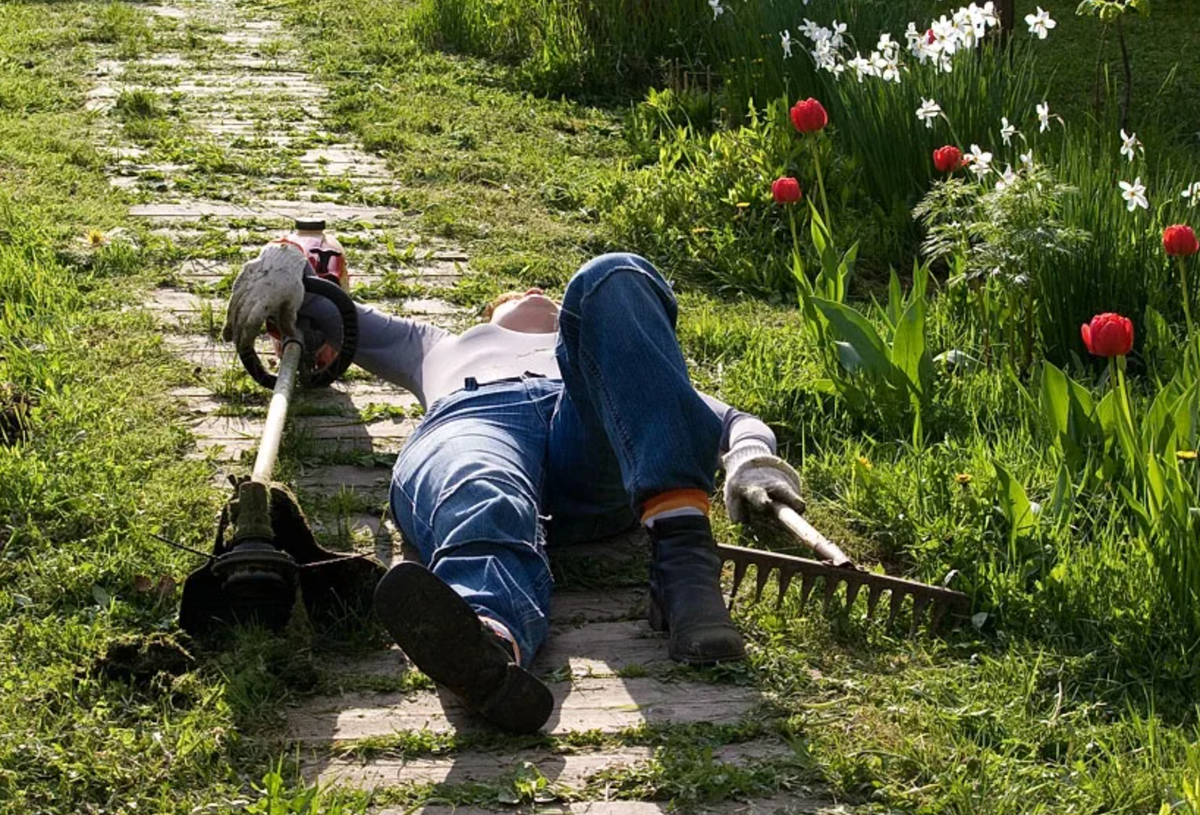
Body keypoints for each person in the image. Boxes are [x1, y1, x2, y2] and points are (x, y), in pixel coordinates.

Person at [222, 245, 805, 734]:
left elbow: (720, 419)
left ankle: (685, 572)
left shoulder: (603, 353)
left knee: (614, 274)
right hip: (475, 420)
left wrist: (754, 458)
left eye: (541, 295)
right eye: (513, 294)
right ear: (492, 312)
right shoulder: (438, 344)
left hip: (590, 440)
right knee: (481, 484)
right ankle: (486, 645)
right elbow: (331, 312)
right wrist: (286, 263)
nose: (531, 295)